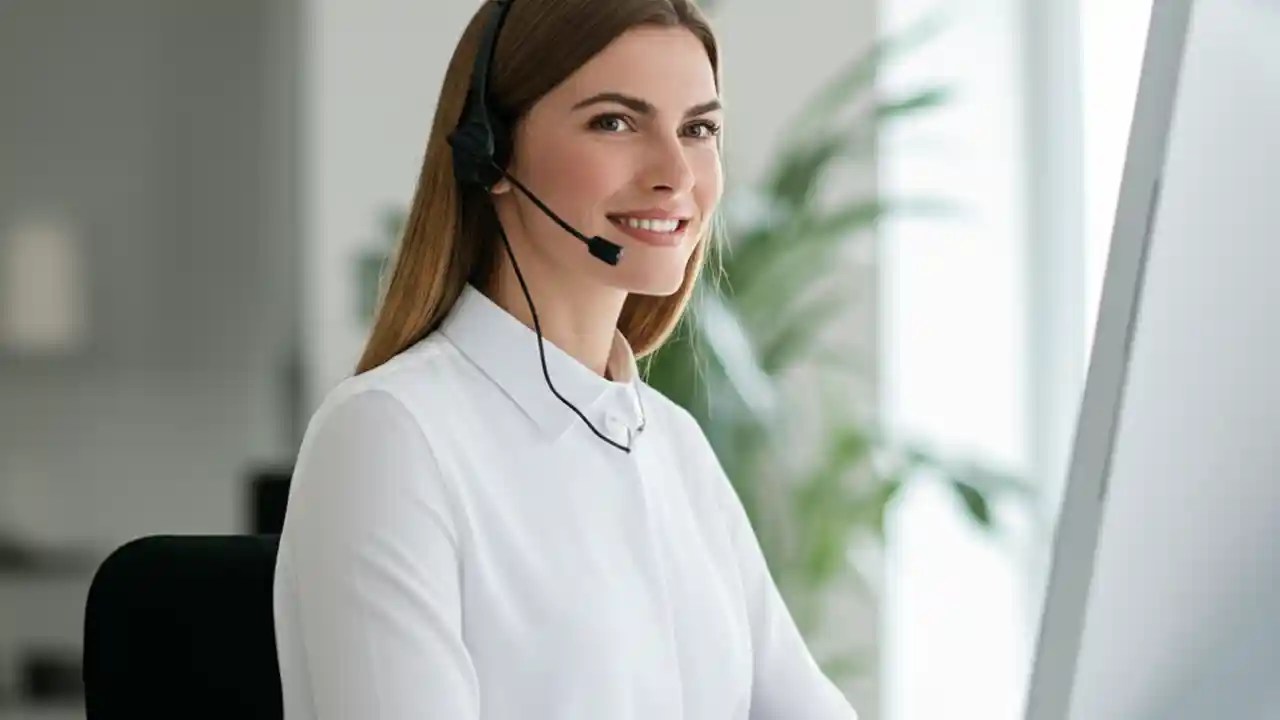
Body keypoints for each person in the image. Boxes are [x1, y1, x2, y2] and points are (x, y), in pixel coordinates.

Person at [272, 0, 858, 717]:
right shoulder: (390, 436)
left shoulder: (672, 446)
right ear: (490, 153)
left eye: (698, 129)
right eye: (615, 122)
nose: (676, 172)